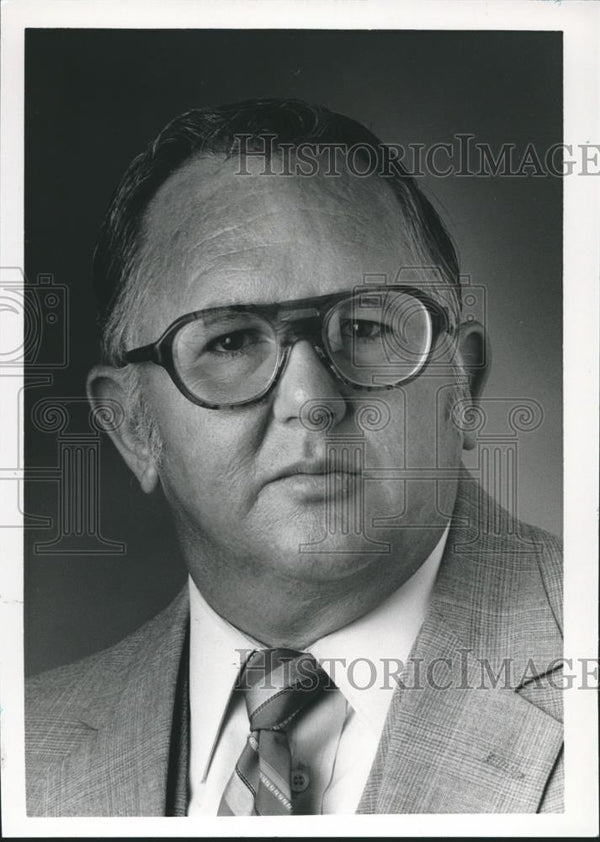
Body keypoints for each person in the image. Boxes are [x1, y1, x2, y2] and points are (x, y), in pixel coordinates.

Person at [25, 98, 563, 816]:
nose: (312, 400)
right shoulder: (27, 747)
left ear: (459, 385)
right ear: (131, 426)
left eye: (367, 327)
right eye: (230, 341)